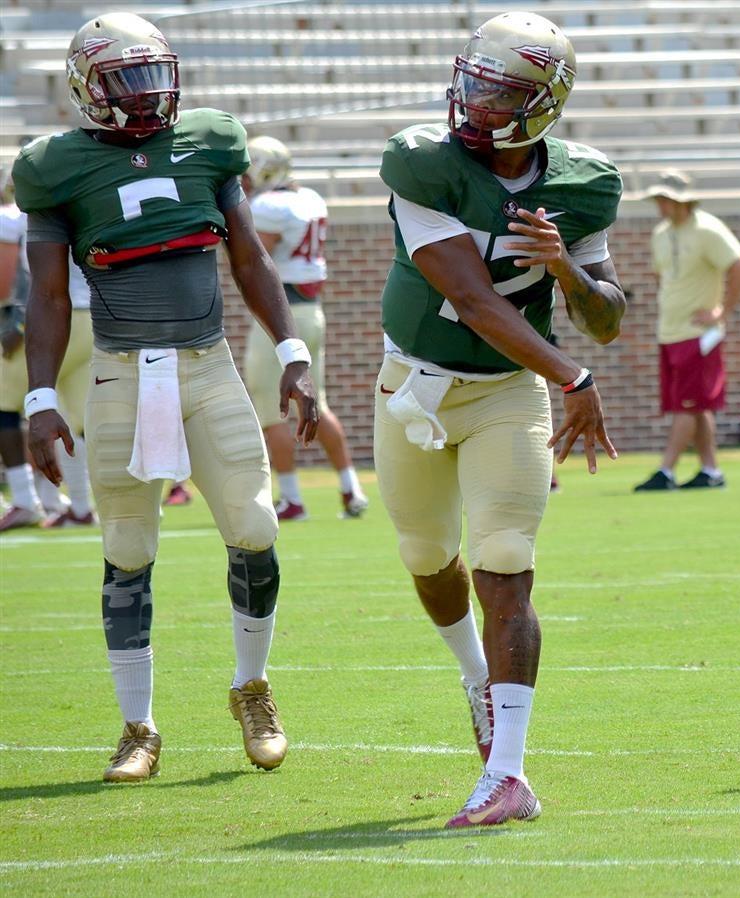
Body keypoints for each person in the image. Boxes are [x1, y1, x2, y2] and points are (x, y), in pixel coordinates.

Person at [13, 12, 318, 782]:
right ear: (88, 86)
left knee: (254, 527)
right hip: (120, 370)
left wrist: (292, 352)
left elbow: (248, 258)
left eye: (155, 75)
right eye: (129, 79)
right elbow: (48, 297)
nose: (149, 94)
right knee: (127, 549)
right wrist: (40, 396)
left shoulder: (212, 141)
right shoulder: (53, 167)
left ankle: (253, 688)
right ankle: (138, 726)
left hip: (209, 364)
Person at [375, 11, 625, 825]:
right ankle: (475, 677)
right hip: (411, 386)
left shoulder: (582, 184)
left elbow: (608, 315)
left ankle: (509, 774)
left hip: (510, 391)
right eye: (475, 80)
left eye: (502, 91)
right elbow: (472, 298)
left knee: (507, 559)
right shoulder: (424, 165)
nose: (478, 102)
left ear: (545, 103)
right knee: (425, 554)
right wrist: (576, 372)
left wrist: (567, 270)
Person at [239, 135, 369, 521]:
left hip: (281, 319)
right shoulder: (310, 198)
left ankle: (292, 498)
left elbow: (250, 257)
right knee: (319, 402)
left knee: (271, 407)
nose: (245, 178)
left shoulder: (268, 206)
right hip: (311, 312)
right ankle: (351, 489)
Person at [633, 169, 740, 491]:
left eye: (665, 199)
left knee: (687, 405)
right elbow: (662, 278)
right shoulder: (660, 234)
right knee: (696, 405)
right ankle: (711, 471)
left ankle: (666, 471)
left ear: (681, 201)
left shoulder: (708, 229)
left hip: (698, 335)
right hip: (669, 332)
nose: (660, 205)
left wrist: (722, 311)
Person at [0, 164, 98, 531]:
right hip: (89, 320)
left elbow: (5, 282)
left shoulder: (13, 218)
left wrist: (16, 323)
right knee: (76, 420)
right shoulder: (83, 210)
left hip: (43, 321)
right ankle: (82, 506)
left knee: (5, 407)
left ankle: (25, 500)